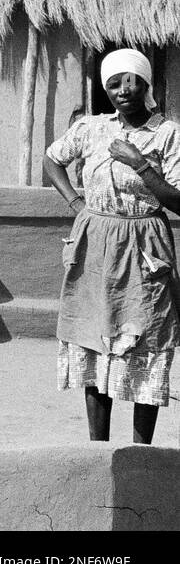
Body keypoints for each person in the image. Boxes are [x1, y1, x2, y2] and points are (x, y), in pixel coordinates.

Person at [43, 48, 180, 443]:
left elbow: (177, 201)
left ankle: (141, 454)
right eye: (115, 82)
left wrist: (140, 164)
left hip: (144, 246)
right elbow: (52, 160)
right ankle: (97, 450)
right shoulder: (90, 128)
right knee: (94, 338)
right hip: (94, 244)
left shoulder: (167, 134)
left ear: (146, 84)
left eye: (132, 80)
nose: (124, 89)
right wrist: (75, 201)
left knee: (146, 341)